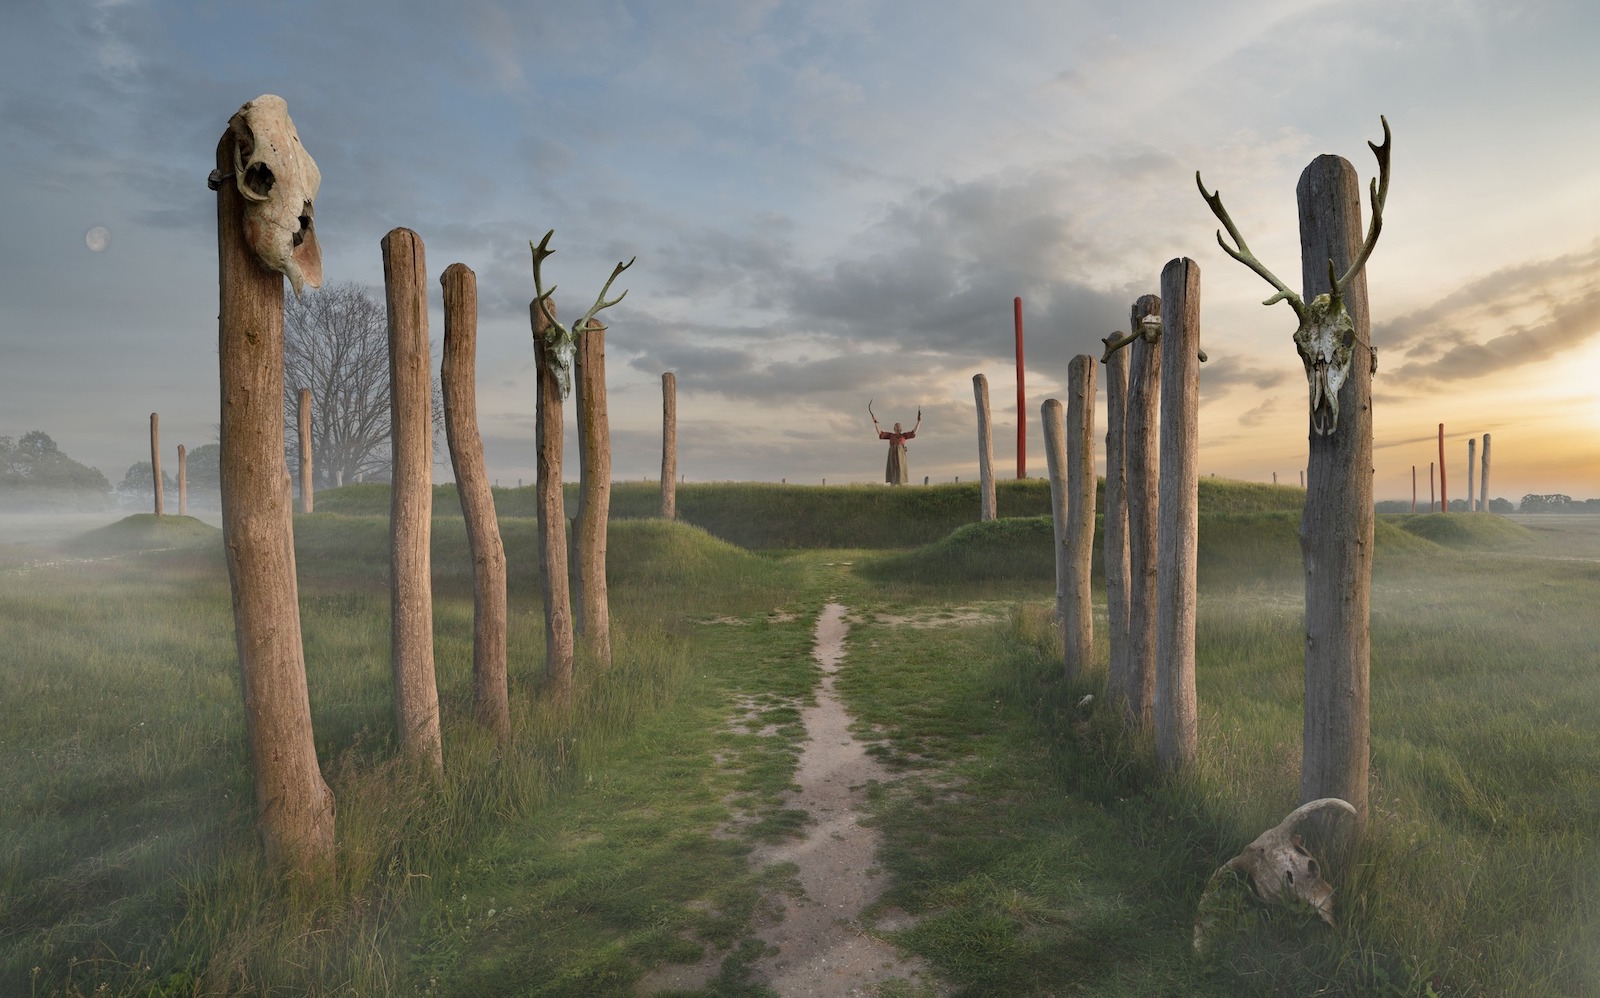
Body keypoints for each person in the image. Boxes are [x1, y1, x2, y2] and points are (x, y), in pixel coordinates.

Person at [869, 400, 921, 486]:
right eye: (896, 425)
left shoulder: (904, 435)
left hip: (900, 453)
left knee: (900, 468)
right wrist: (875, 423)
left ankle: (900, 485)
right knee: (892, 467)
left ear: (901, 428)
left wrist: (918, 422)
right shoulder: (890, 435)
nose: (898, 426)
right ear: (894, 428)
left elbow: (914, 432)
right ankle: (892, 485)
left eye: (899, 425)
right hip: (892, 453)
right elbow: (880, 433)